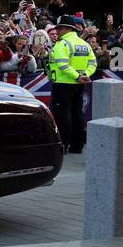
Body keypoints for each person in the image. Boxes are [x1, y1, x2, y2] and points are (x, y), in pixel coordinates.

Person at [48, 15, 96, 154]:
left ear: (68, 29)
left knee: (63, 115)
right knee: (77, 114)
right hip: (79, 84)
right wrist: (85, 75)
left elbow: (62, 65)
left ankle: (63, 145)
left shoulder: (62, 44)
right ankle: (77, 145)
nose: (57, 31)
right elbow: (92, 63)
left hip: (63, 83)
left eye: (60, 28)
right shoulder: (84, 44)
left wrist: (78, 76)